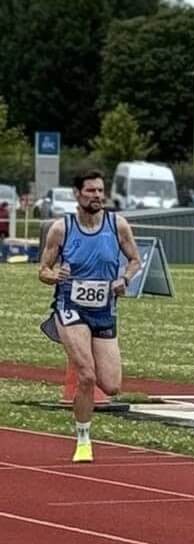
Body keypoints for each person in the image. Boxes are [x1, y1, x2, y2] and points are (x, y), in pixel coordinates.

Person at [37, 170, 142, 463]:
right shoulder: (62, 229)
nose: (97, 196)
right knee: (86, 374)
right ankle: (83, 439)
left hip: (104, 310)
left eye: (100, 191)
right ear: (77, 194)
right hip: (70, 307)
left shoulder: (117, 225)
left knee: (111, 385)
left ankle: (84, 400)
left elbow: (135, 260)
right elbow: (42, 270)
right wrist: (54, 275)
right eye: (91, 191)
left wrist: (125, 279)